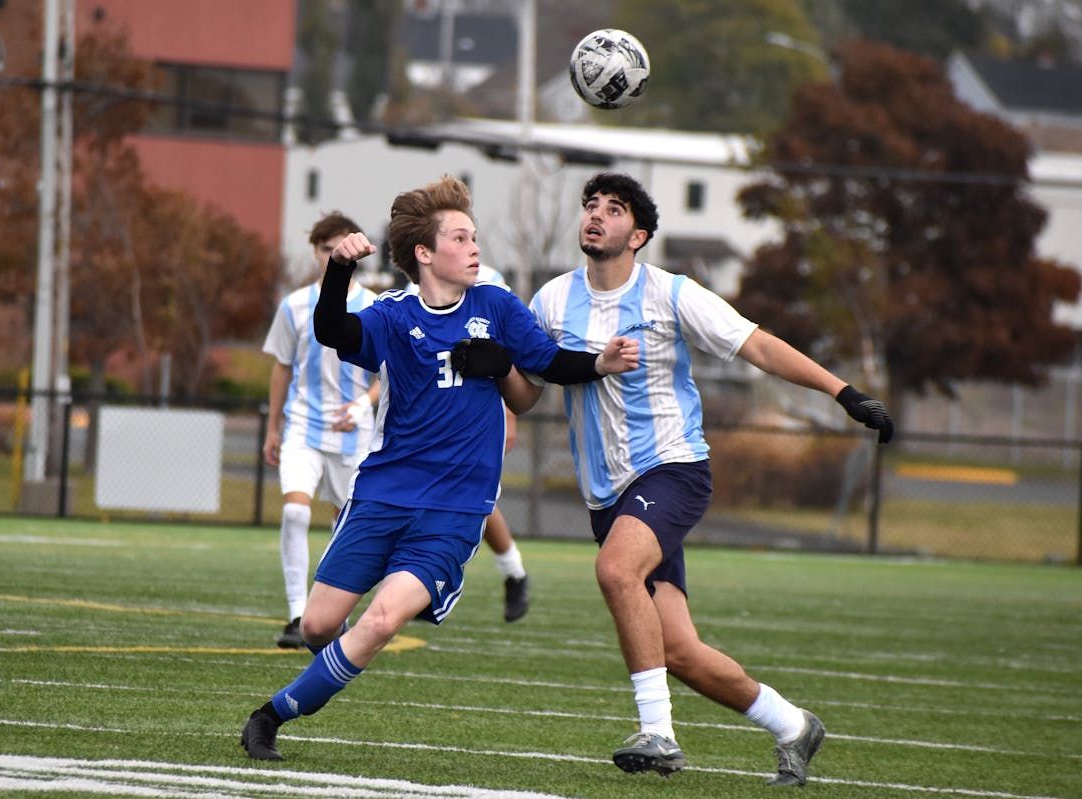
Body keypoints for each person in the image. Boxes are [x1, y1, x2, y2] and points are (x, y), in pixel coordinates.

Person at [502, 172, 894, 786]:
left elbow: (758, 347)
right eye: (590, 206)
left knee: (614, 571)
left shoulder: (672, 294)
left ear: (640, 235)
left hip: (673, 468)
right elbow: (527, 394)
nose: (596, 215)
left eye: (614, 208)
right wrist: (494, 365)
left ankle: (658, 733)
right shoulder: (552, 300)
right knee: (678, 651)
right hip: (607, 495)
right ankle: (793, 725)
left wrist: (843, 392)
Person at [240, 175, 640, 760]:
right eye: (461, 237)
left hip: (453, 509)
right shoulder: (394, 315)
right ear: (425, 253)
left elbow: (549, 363)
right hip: (381, 494)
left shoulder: (496, 306)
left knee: (378, 622)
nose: (475, 246)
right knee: (319, 626)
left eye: (474, 235)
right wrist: (339, 272)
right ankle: (325, 673)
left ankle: (270, 716)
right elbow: (334, 331)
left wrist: (598, 362)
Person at [261, 212, 378, 649]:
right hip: (303, 429)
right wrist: (273, 428)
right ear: (315, 251)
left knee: (346, 527)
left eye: (340, 247)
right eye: (325, 248)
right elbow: (281, 368)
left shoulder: (372, 306)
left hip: (353, 436)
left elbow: (386, 371)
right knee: (294, 511)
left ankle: (330, 614)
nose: (332, 256)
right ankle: (296, 614)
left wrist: (363, 404)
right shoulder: (294, 305)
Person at [404, 264, 530, 622]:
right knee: (419, 494)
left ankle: (513, 573)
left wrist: (509, 413)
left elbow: (507, 354)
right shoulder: (413, 286)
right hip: (429, 416)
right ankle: (419, 579)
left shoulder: (488, 283)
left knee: (477, 503)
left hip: (476, 415)